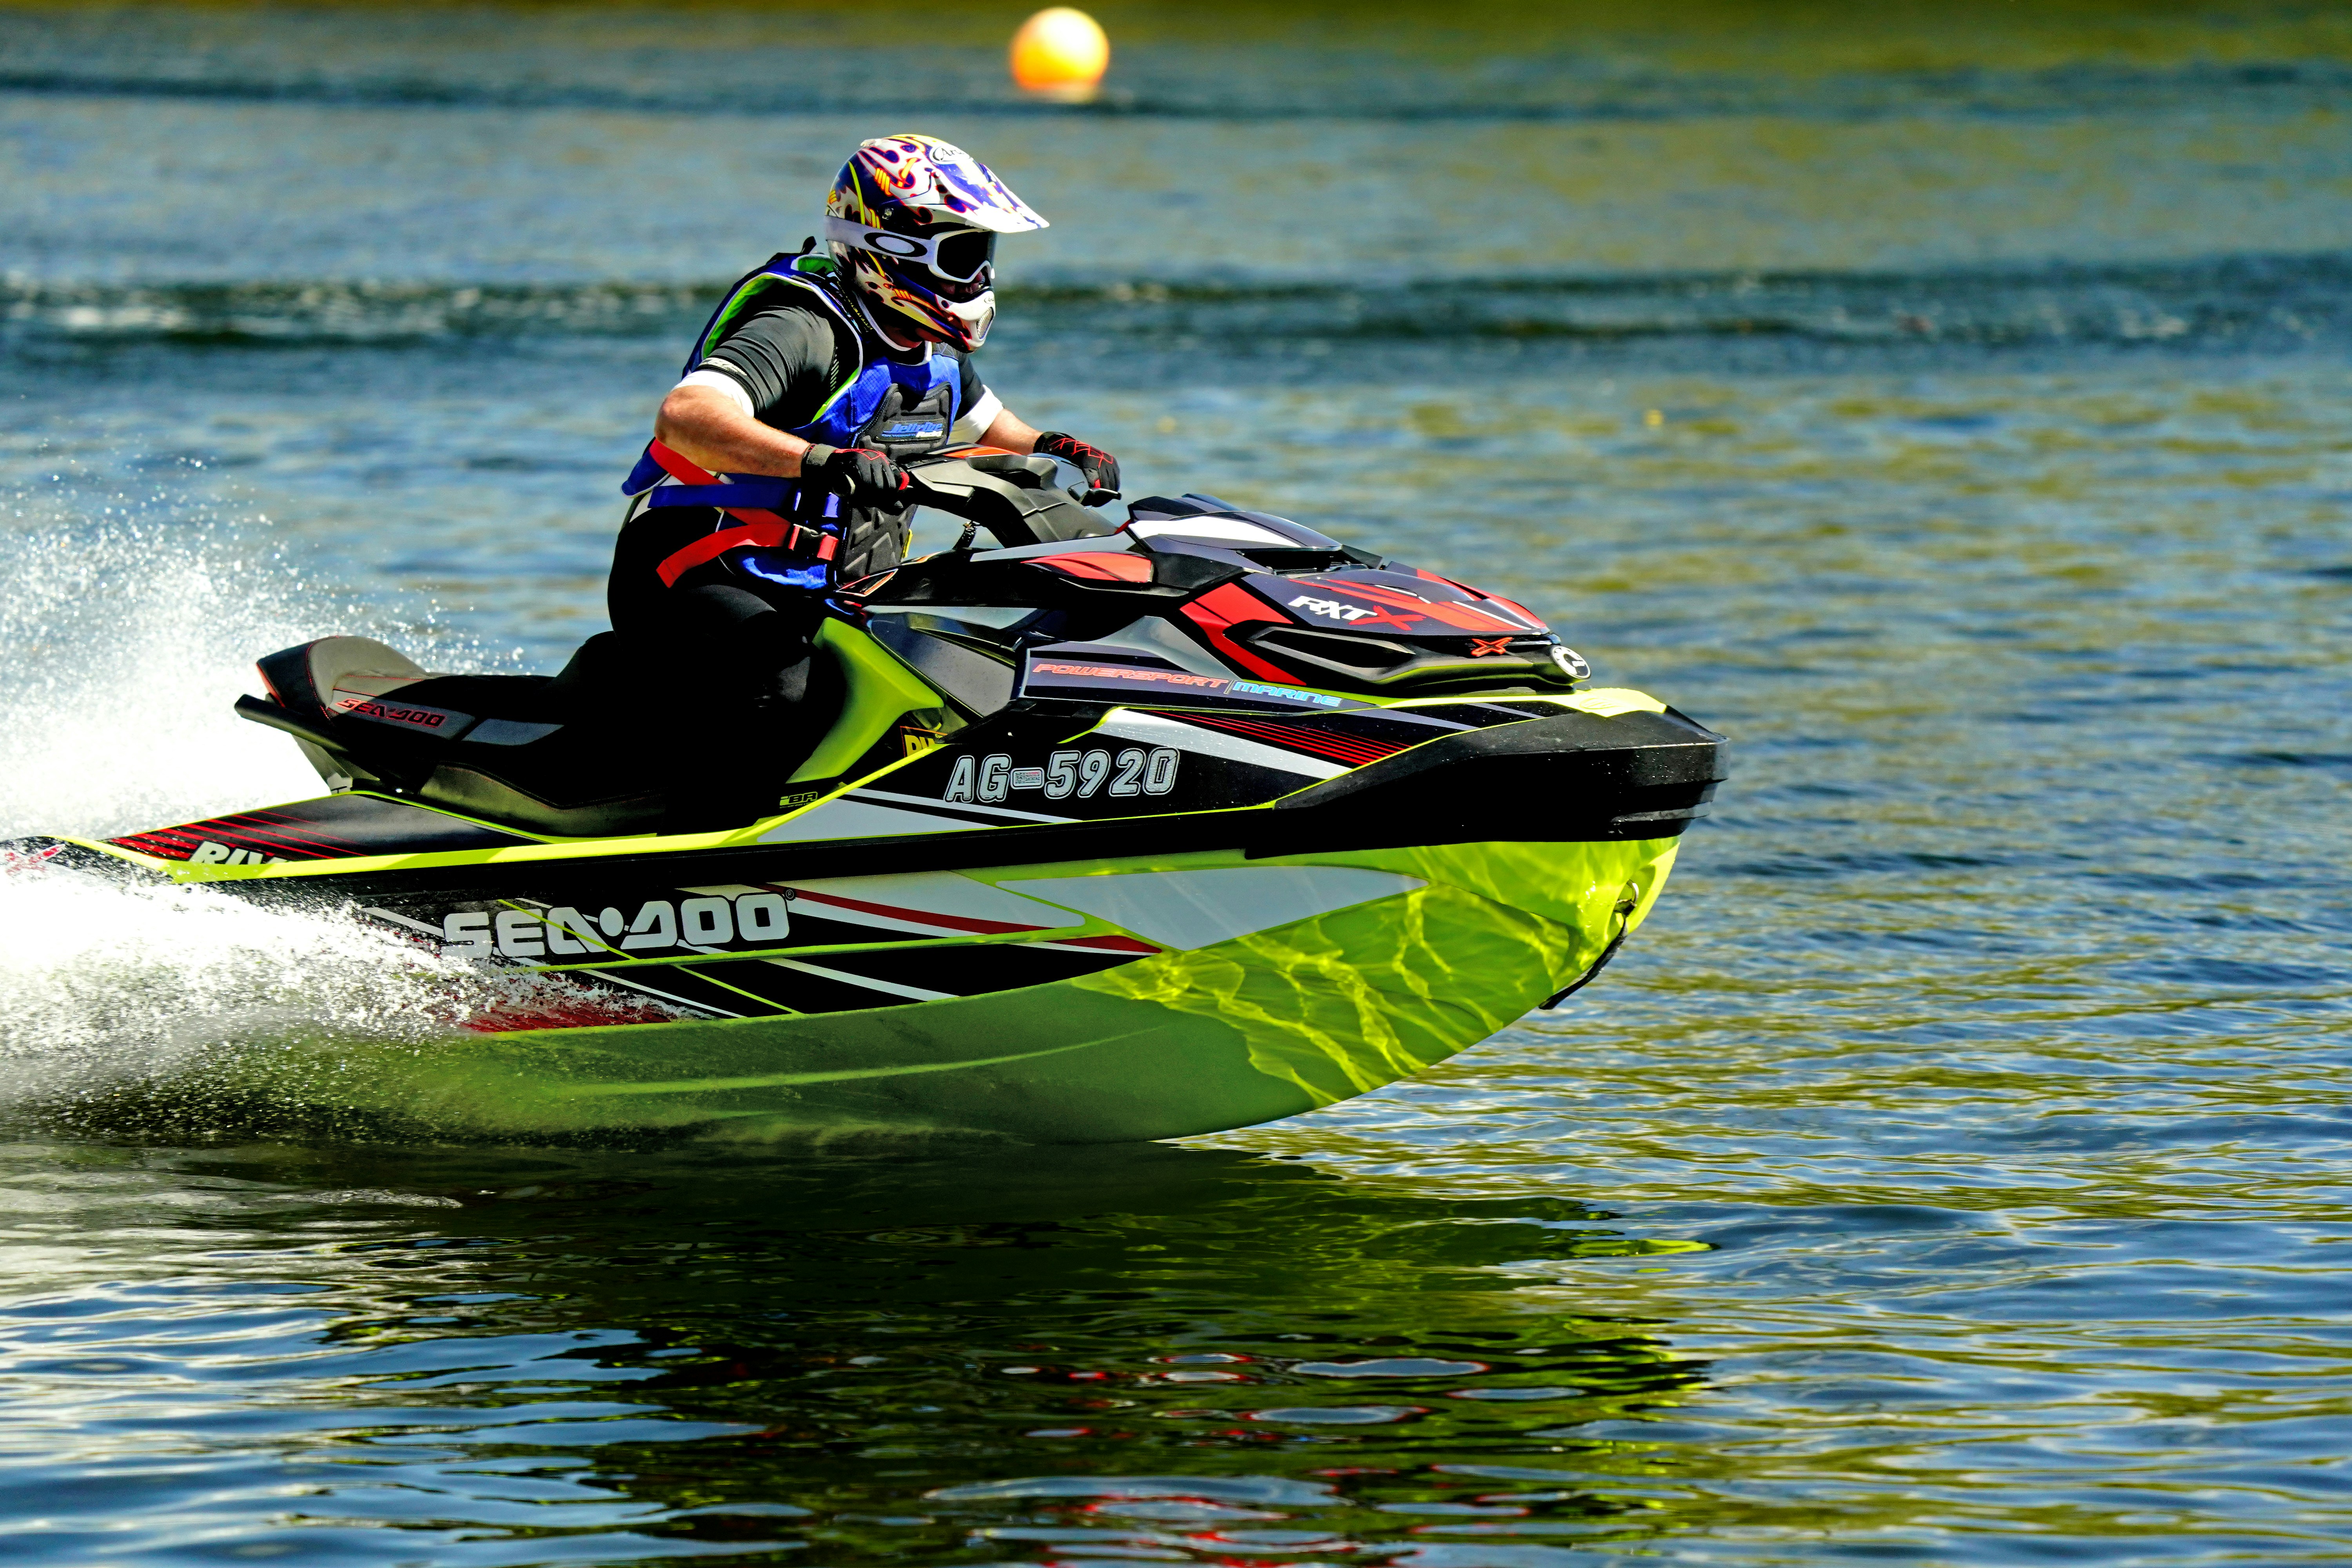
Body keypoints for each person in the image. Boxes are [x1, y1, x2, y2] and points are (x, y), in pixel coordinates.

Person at [604, 133, 1121, 826]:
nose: (980, 279)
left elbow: (990, 427)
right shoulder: (804, 327)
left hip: (816, 590)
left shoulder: (923, 344)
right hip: (694, 575)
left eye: (983, 256)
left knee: (940, 677)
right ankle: (694, 866)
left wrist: (1059, 447)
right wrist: (821, 462)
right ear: (891, 249)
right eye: (963, 255)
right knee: (780, 689)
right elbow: (687, 416)